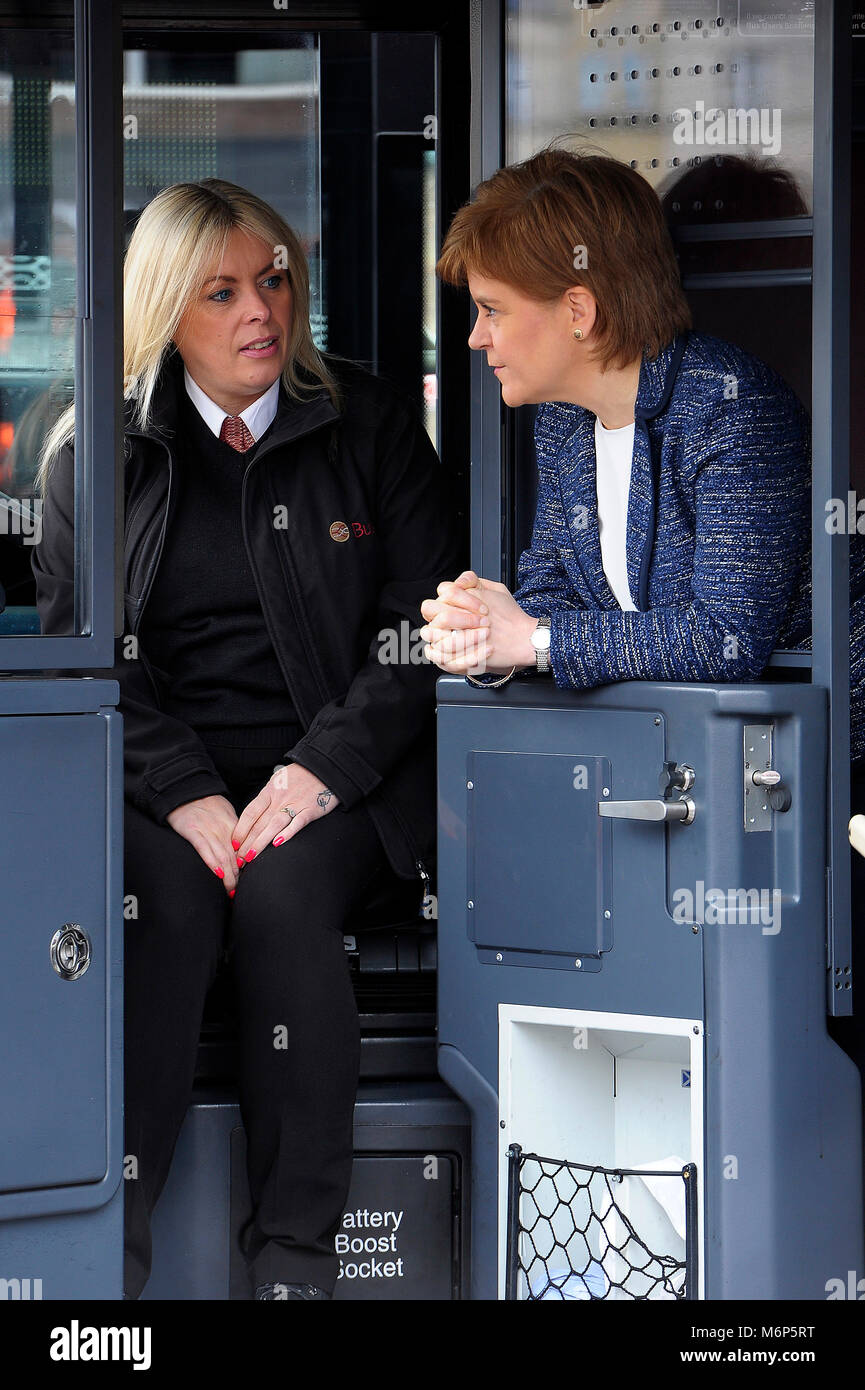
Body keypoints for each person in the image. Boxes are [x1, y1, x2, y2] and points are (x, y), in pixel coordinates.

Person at [32, 177, 459, 1301]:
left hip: (342, 779)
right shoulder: (94, 449)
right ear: (167, 311)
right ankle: (101, 1275)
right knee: (164, 905)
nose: (259, 310)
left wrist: (324, 768)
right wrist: (179, 789)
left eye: (273, 279)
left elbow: (423, 628)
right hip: (163, 784)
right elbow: (87, 661)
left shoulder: (366, 423)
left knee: (278, 899)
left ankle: (292, 1272)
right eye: (220, 292)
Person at [419, 147, 864, 764]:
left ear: (578, 311)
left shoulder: (729, 404)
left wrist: (533, 640)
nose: (475, 336)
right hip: (671, 754)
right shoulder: (564, 418)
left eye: (492, 309)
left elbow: (725, 636)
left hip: (812, 774)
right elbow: (550, 593)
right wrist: (486, 638)